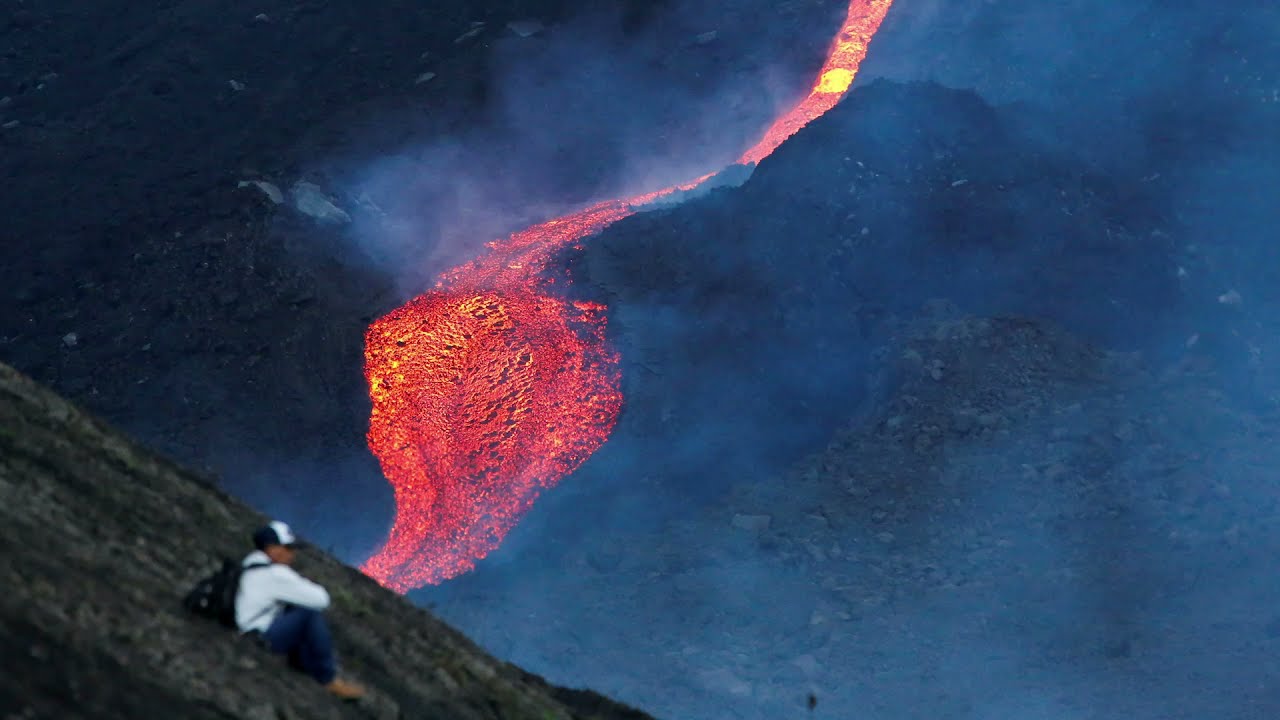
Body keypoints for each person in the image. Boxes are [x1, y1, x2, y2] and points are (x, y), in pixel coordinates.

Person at [235, 520, 366, 700]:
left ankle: (305, 665)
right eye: (288, 548)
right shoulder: (275, 574)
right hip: (258, 635)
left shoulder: (250, 565)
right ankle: (328, 679)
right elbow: (321, 599)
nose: (292, 554)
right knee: (308, 615)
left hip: (245, 628)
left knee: (295, 610)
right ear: (272, 549)